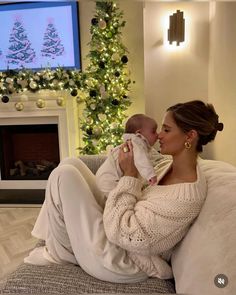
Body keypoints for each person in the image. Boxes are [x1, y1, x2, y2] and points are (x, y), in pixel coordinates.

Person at [24, 100, 223, 283]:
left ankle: (59, 253)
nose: (159, 135)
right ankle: (59, 244)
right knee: (70, 162)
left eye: (167, 129)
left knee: (64, 175)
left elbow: (126, 235)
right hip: (116, 229)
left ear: (190, 136)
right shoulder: (170, 165)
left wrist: (129, 176)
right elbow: (146, 166)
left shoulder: (186, 198)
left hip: (121, 259)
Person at [96, 114, 161, 201]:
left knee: (113, 198)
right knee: (117, 199)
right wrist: (150, 175)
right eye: (153, 132)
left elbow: (154, 157)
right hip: (109, 180)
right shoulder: (136, 143)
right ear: (139, 134)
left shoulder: (139, 143)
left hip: (106, 178)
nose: (158, 135)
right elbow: (142, 160)